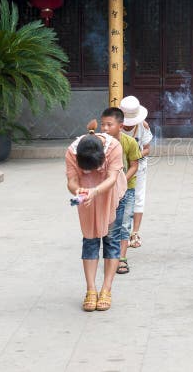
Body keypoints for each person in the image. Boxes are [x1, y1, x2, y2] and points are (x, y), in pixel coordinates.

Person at [65, 120, 127, 312]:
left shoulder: (114, 147)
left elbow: (112, 178)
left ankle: (106, 289)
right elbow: (72, 182)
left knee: (111, 240)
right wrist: (81, 191)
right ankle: (91, 290)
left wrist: (94, 192)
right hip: (87, 196)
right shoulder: (71, 152)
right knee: (90, 240)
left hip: (112, 194)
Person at [100, 107, 142, 275]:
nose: (104, 128)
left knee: (124, 223)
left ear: (121, 126)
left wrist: (121, 179)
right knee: (110, 224)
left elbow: (134, 165)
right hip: (106, 190)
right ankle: (111, 256)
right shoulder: (100, 142)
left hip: (127, 189)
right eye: (102, 124)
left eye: (109, 125)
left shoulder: (129, 142)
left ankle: (121, 258)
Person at [120, 96, 153, 249]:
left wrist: (136, 155)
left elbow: (147, 148)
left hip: (138, 167)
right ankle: (116, 232)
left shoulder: (143, 126)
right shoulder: (114, 125)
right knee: (118, 199)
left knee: (138, 198)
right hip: (118, 168)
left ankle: (135, 232)